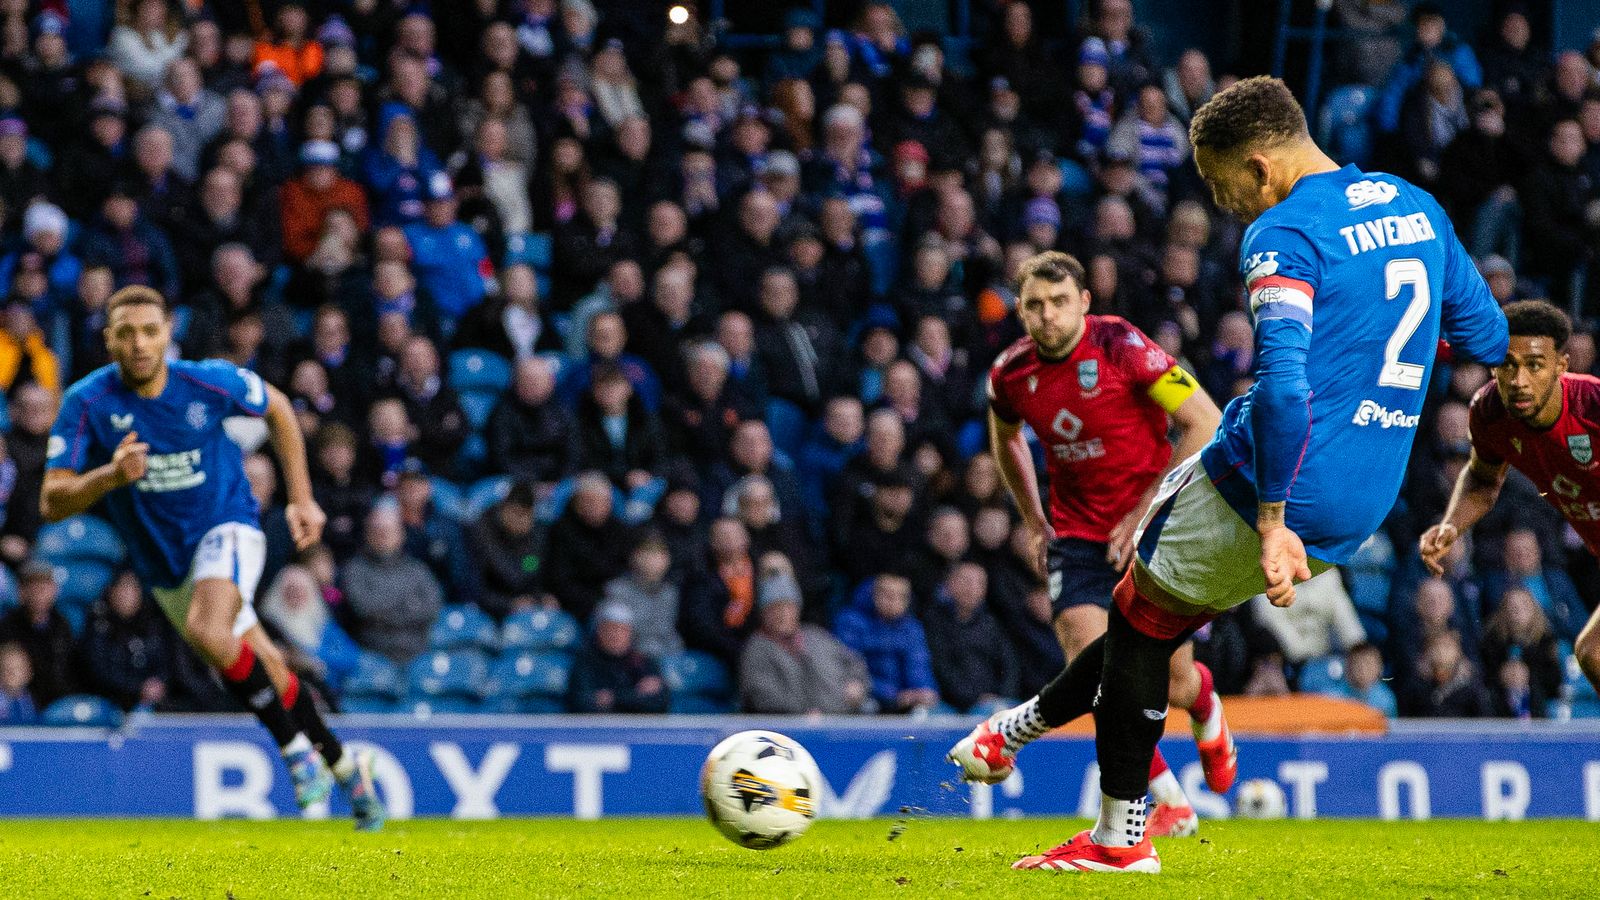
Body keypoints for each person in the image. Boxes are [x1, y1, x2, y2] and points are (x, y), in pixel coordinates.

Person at [951, 76, 1508, 874]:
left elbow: (1283, 388)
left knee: (1137, 620)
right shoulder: (1415, 204)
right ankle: (1015, 735)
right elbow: (1483, 332)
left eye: (1219, 186)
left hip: (1275, 480)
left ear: (1258, 166)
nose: (1223, 205)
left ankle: (1118, 837)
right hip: (1366, 497)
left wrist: (1273, 515)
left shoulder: (1283, 234)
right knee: (1151, 620)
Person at [40, 286, 385, 829]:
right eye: (125, 332)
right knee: (262, 662)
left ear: (167, 335)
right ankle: (345, 765)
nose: (138, 343)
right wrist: (110, 476)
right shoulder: (87, 401)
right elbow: (51, 500)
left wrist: (300, 497)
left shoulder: (206, 379)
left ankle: (295, 753)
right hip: (165, 566)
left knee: (207, 627)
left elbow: (277, 408)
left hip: (228, 525)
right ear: (108, 340)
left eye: (149, 331)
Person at [958, 250, 1225, 839]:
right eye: (1034, 305)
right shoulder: (1009, 374)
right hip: (1076, 533)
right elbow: (1007, 441)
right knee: (1096, 665)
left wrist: (1140, 515)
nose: (1047, 316)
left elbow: (1205, 422)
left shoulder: (1123, 346)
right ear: (1021, 311)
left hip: (1155, 522)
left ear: (1083, 302)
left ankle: (1204, 703)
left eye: (1059, 302)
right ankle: (1169, 801)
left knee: (1172, 681)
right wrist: (1032, 518)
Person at [1420, 301, 1600, 705]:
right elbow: (1483, 480)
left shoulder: (1593, 406)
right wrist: (1451, 525)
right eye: (1507, 365)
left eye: (1534, 365)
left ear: (1561, 365)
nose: (1519, 380)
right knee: (1593, 655)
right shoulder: (1489, 412)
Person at [739, 562, 870, 714]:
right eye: (775, 608)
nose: (783, 614)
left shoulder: (817, 636)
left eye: (789, 607)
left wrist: (857, 683)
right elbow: (762, 696)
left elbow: (854, 663)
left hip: (838, 720)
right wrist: (803, 712)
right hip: (787, 727)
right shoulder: (757, 648)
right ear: (763, 613)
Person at [566, 602, 670, 714]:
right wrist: (636, 697)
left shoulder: (642, 661)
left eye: (623, 630)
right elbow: (582, 703)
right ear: (599, 631)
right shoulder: (585, 661)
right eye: (611, 628)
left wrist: (613, 698)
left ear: (630, 633)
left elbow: (660, 702)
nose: (617, 635)